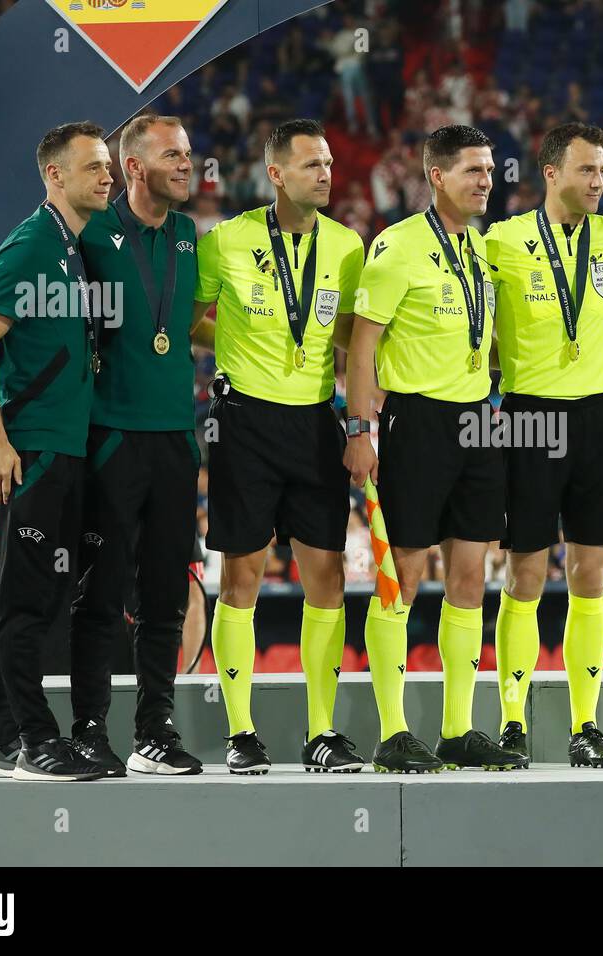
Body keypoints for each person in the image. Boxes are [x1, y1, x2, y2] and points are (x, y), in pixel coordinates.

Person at [345, 125, 525, 772]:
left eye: (489, 169)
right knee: (404, 577)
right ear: (437, 177)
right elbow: (362, 346)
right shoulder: (396, 248)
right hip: (415, 422)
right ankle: (393, 731)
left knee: (472, 576)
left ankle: (457, 728)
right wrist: (359, 430)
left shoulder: (481, 249)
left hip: (479, 421)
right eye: (473, 170)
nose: (486, 180)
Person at [194, 119, 367, 774]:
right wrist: (238, 349)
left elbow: (354, 342)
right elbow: (191, 324)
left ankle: (322, 733)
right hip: (245, 424)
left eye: (328, 163)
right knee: (242, 576)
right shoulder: (228, 241)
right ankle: (241, 733)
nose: (325, 174)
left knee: (327, 575)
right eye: (310, 166)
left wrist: (358, 423)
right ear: (275, 174)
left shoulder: (349, 246)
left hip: (316, 423)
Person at [0, 121, 112, 781]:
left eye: (109, 165)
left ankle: (2, 741)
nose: (107, 176)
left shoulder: (73, 249)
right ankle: (34, 739)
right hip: (33, 451)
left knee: (42, 597)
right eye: (93, 167)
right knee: (27, 602)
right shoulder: (28, 247)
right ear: (54, 175)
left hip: (67, 449)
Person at [484, 122, 603, 768]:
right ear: (550, 172)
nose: (598, 182)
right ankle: (513, 722)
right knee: (525, 574)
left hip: (600, 418)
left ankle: (584, 723)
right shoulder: (503, 241)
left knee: (590, 573)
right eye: (586, 171)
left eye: (602, 171)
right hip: (528, 416)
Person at [67, 114, 206, 777]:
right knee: (101, 594)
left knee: (165, 596)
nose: (187, 165)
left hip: (177, 438)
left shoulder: (187, 235)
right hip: (113, 437)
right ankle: (90, 729)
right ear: (133, 168)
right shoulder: (92, 232)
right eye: (173, 156)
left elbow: (189, 326)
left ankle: (155, 731)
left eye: (188, 155)